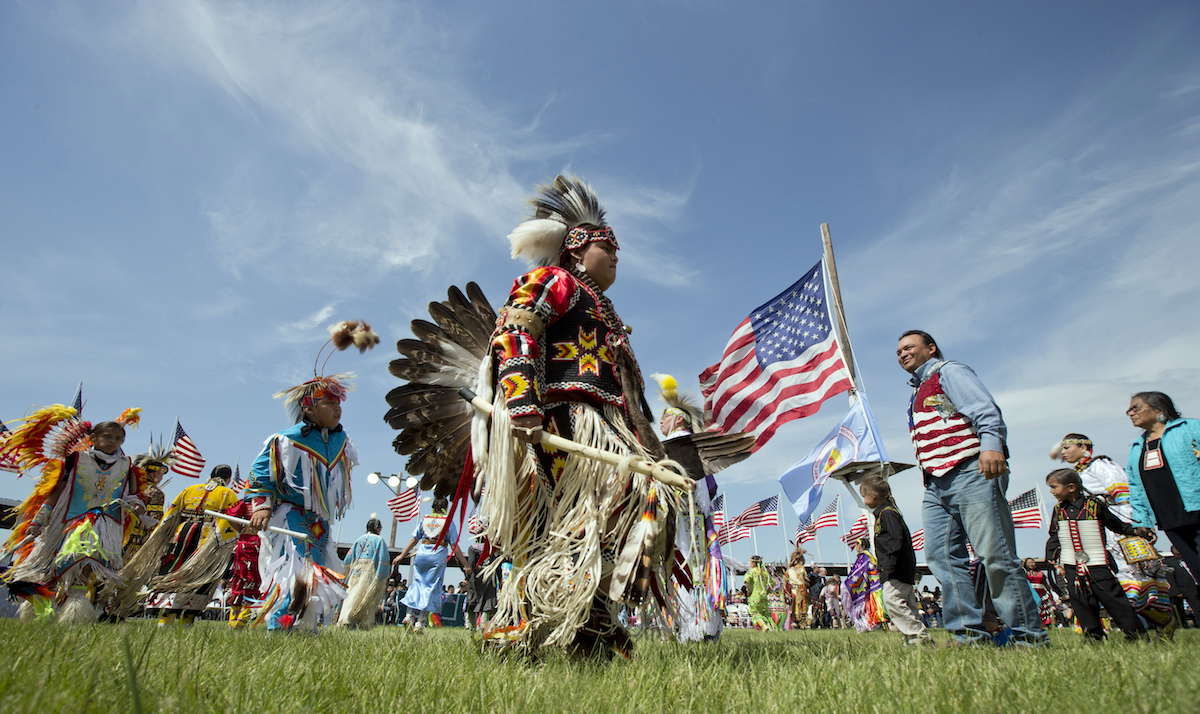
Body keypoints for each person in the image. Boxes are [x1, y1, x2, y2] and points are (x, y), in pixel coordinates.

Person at [473, 176, 686, 658]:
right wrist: (522, 401)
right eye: (606, 247)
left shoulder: (605, 310)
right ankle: (542, 621)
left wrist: (644, 440)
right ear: (575, 249)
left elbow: (628, 392)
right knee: (590, 513)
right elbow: (515, 330)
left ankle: (585, 619)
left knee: (632, 508)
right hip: (563, 419)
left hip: (604, 425)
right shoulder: (556, 281)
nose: (615, 256)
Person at [897, 330, 1046, 647]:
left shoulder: (949, 372)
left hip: (971, 470)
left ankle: (1028, 637)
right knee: (941, 558)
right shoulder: (919, 390)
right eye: (899, 351)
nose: (902, 354)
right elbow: (942, 426)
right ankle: (967, 635)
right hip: (936, 482)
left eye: (909, 347)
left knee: (995, 555)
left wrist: (991, 445)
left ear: (931, 348)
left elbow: (984, 409)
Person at [246, 323, 377, 632]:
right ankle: (281, 626)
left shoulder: (341, 440)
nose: (337, 408)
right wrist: (262, 505)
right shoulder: (286, 440)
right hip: (289, 516)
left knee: (317, 573)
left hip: (319, 520)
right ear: (309, 407)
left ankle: (306, 627)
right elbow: (260, 472)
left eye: (338, 403)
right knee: (294, 572)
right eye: (329, 403)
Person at [4, 407, 150, 623]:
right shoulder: (75, 459)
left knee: (86, 563)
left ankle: (75, 607)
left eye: (118, 438)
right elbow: (54, 492)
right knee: (53, 567)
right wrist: (39, 520)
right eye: (107, 436)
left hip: (103, 524)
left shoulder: (126, 466)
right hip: (67, 521)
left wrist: (138, 507)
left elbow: (131, 494)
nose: (112, 441)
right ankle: (40, 610)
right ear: (93, 438)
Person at [1053, 432, 1175, 633]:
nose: (1063, 452)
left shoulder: (1100, 465)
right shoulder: (1081, 472)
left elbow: (1124, 496)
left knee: (1127, 578)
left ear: (1083, 447)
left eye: (1067, 447)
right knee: (1106, 584)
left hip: (1117, 531)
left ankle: (1161, 621)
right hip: (1098, 534)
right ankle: (1146, 626)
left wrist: (1132, 528)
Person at [1044, 468, 1154, 641]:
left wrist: (1137, 531)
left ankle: (1136, 635)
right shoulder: (1059, 510)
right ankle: (1093, 637)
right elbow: (1055, 535)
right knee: (1082, 602)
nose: (1051, 491)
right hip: (1072, 566)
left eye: (1054, 487)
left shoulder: (1094, 506)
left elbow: (1116, 525)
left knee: (1114, 600)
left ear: (1071, 487)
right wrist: (1051, 557)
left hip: (1098, 563)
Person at [130, 464, 241, 626]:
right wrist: (226, 542)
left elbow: (171, 514)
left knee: (173, 571)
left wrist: (161, 535)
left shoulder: (190, 489)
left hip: (180, 536)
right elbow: (231, 520)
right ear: (228, 479)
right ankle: (186, 619)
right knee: (199, 576)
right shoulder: (227, 494)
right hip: (206, 540)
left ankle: (165, 618)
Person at [1124, 392, 1200, 582]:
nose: (1131, 413)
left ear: (1159, 408)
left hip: (1196, 509)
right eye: (1129, 410)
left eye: (1136, 408)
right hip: (1169, 519)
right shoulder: (1137, 447)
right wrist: (1141, 520)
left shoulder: (1190, 429)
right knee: (1197, 569)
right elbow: (1135, 486)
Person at [860, 475, 931, 645]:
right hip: (900, 568)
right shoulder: (887, 513)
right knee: (908, 605)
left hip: (895, 569)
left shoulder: (888, 514)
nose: (864, 500)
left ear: (873, 495)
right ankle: (914, 641)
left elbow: (896, 540)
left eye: (864, 496)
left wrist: (888, 566)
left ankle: (918, 635)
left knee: (892, 601)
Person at [393, 496, 470, 633]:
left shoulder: (425, 519)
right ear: (446, 507)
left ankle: (409, 615)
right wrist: (466, 564)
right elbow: (454, 545)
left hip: (422, 552)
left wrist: (402, 555)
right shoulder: (447, 521)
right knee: (431, 588)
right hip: (437, 554)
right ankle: (420, 622)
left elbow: (414, 539)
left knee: (418, 584)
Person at [339, 516, 390, 629]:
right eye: (380, 527)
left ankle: (346, 619)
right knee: (366, 596)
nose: (381, 529)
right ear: (376, 528)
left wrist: (347, 570)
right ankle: (362, 622)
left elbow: (348, 558)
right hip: (369, 572)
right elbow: (383, 559)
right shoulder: (379, 540)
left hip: (356, 571)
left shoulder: (359, 539)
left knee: (352, 593)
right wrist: (380, 575)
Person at [225, 499, 262, 629]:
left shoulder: (246, 501)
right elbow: (229, 515)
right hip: (253, 543)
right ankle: (239, 619)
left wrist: (241, 529)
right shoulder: (266, 501)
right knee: (252, 581)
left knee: (245, 580)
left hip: (248, 542)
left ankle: (237, 619)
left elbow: (230, 515)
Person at [844, 537, 886, 633]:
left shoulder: (863, 556)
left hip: (868, 585)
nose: (855, 547)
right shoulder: (869, 556)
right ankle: (874, 624)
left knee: (869, 605)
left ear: (860, 546)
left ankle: (871, 624)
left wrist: (848, 582)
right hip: (873, 584)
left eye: (856, 544)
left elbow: (858, 571)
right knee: (871, 605)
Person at [1163, 547, 1200, 628]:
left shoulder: (1191, 560)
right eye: (1176, 551)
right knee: (1196, 607)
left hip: (1196, 585)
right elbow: (1170, 578)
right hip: (1186, 588)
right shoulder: (1169, 562)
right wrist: (1177, 592)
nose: (1179, 552)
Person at [743, 555, 777, 630]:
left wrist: (749, 591)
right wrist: (767, 591)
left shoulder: (751, 572)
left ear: (753, 563)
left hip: (754, 597)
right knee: (765, 614)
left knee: (754, 613)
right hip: (763, 597)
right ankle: (773, 628)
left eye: (751, 562)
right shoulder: (765, 572)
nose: (750, 564)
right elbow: (773, 583)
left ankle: (764, 626)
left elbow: (747, 581)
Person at [783, 549, 810, 630]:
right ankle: (801, 623)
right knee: (801, 607)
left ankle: (795, 622)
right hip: (800, 590)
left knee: (794, 607)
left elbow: (786, 582)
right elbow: (803, 580)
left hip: (793, 591)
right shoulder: (801, 568)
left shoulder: (789, 570)